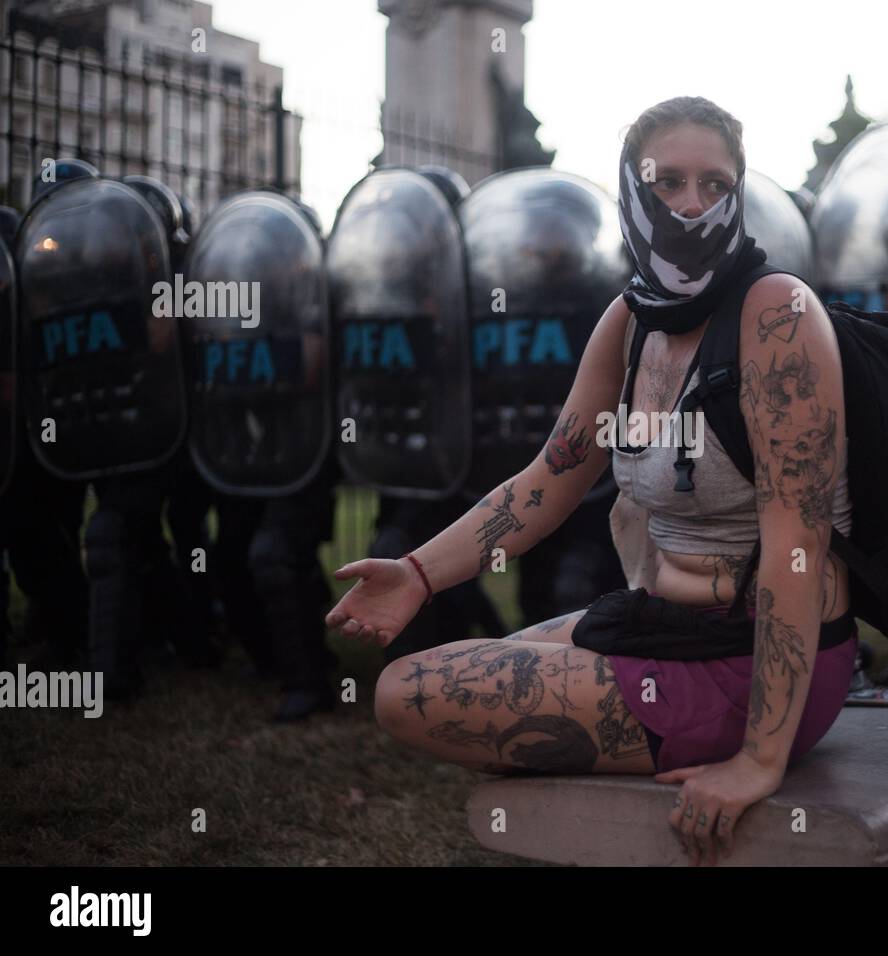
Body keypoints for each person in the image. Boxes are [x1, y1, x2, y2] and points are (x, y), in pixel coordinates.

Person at [327, 96, 857, 866]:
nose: (692, 204)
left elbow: (796, 547)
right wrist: (416, 574)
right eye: (668, 181)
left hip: (750, 666)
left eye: (715, 183)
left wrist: (760, 759)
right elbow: (552, 475)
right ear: (631, 192)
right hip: (657, 623)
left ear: (740, 193)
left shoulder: (776, 317)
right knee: (482, 676)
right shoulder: (632, 320)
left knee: (408, 695)